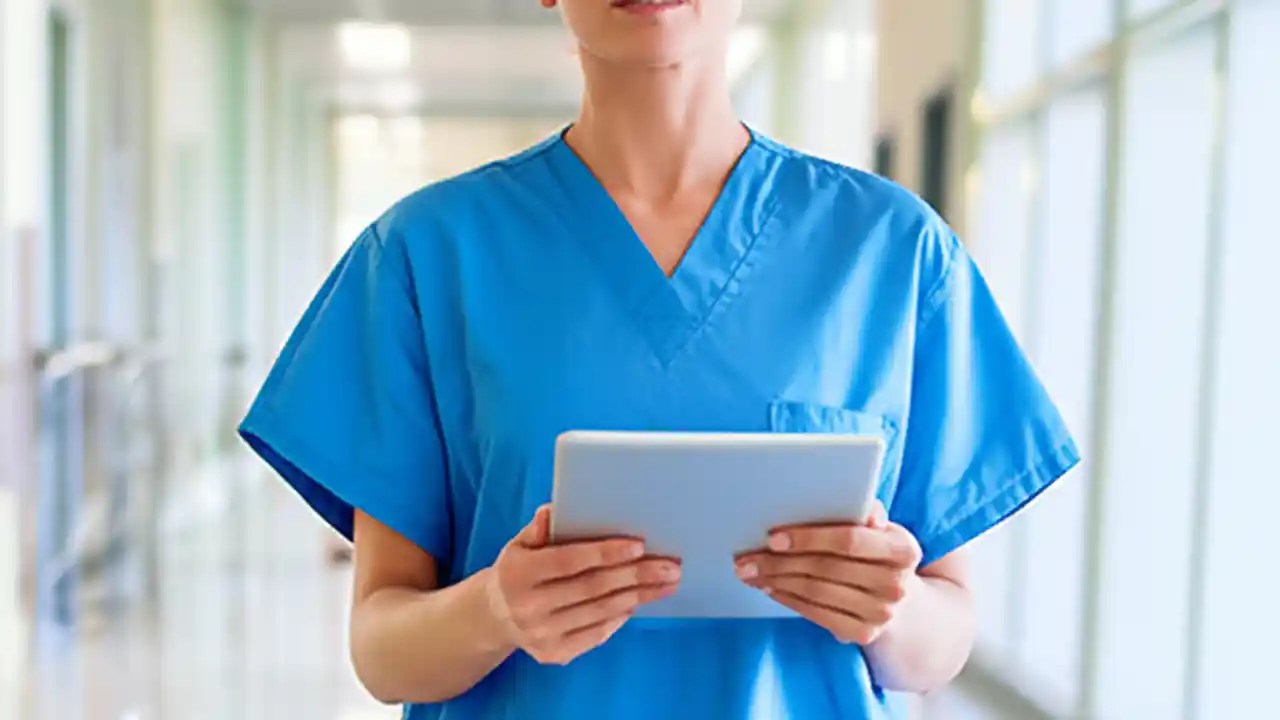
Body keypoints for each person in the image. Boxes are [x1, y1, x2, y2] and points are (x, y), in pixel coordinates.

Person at [238, 0, 1079, 718]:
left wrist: (887, 611)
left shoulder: (894, 254)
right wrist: (496, 609)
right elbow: (383, 649)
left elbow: (941, 639)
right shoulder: (425, 255)